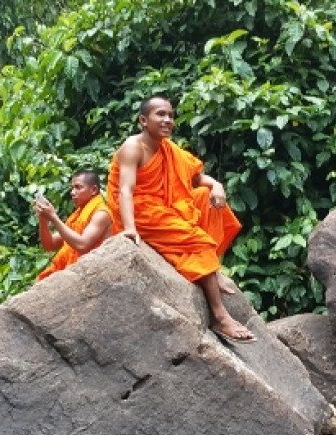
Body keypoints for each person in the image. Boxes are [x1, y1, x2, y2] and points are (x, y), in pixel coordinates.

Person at [106, 95, 255, 343]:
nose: (167, 120)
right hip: (142, 213)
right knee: (199, 241)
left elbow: (196, 179)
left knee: (207, 199)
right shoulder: (133, 147)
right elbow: (125, 191)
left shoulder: (168, 148)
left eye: (170, 115)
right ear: (144, 120)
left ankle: (210, 267)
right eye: (160, 114)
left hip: (166, 206)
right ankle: (220, 316)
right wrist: (130, 229)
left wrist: (216, 185)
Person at [34, 170, 113, 281]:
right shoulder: (78, 215)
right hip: (73, 272)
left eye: (78, 187)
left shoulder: (101, 214)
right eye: (72, 188)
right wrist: (43, 220)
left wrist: (54, 218)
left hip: (93, 274)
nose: (72, 192)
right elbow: (50, 245)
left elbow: (83, 245)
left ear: (94, 190)